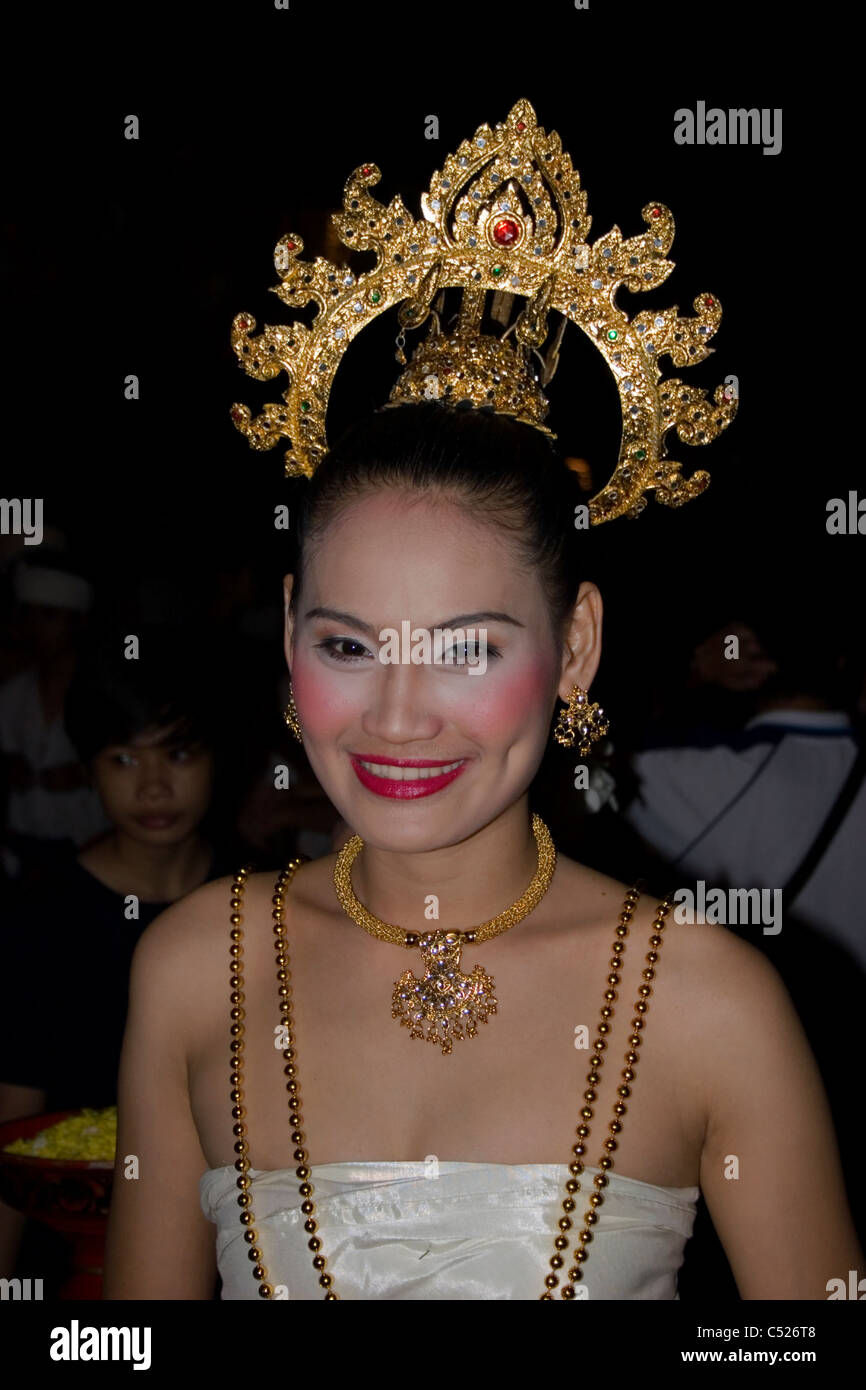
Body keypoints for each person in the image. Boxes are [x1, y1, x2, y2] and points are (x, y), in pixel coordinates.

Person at [101, 100, 862, 1301]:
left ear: (574, 648)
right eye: (348, 643)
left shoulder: (707, 998)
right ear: (291, 628)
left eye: (465, 649)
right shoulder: (198, 967)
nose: (398, 716)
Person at [0, 625, 240, 1288]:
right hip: (69, 1248)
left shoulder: (264, 905)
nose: (154, 787)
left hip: (236, 1245)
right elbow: (13, 1131)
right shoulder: (40, 921)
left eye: (179, 754)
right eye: (123, 760)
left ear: (216, 758)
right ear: (88, 768)